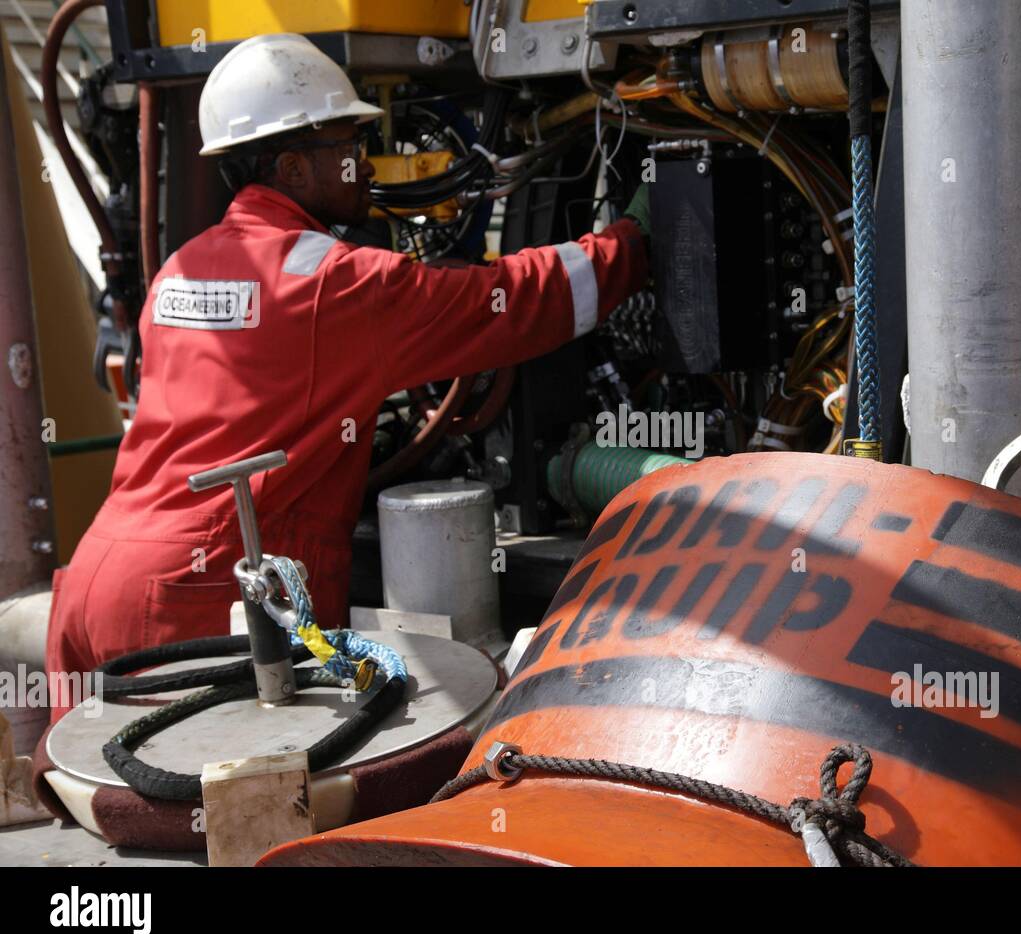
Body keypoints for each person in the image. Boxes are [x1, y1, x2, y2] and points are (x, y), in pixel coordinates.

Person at [44, 33, 649, 721]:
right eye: (349, 151)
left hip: (96, 583)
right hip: (198, 598)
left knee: (122, 814)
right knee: (249, 816)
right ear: (295, 168)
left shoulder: (182, 269)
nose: (366, 167)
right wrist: (633, 245)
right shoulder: (331, 284)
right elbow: (505, 304)